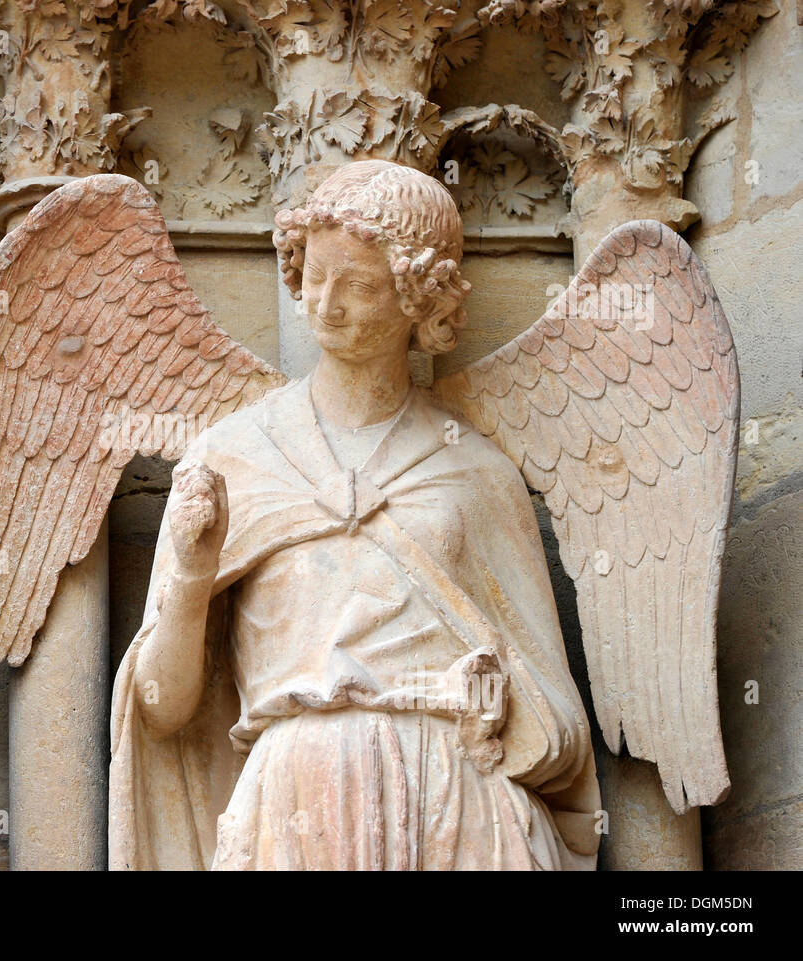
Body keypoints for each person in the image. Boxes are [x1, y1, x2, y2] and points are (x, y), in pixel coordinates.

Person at [110, 160, 601, 870]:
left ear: (420, 298)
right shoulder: (233, 455)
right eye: (314, 274)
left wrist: (497, 701)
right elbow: (162, 707)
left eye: (361, 285)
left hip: (459, 795)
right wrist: (189, 574)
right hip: (298, 795)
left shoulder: (476, 472)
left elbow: (562, 731)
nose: (326, 304)